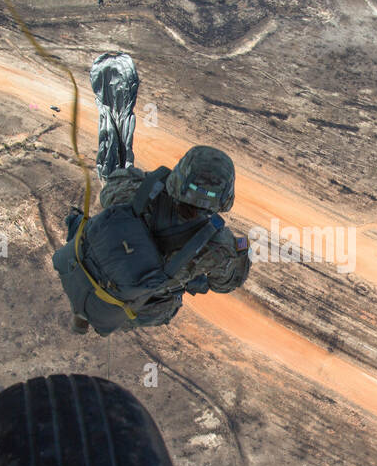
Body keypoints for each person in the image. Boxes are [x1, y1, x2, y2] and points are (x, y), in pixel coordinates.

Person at [52, 55, 250, 335]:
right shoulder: (217, 245)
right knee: (164, 297)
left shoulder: (137, 188)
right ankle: (100, 313)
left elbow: (110, 191)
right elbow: (225, 283)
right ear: (224, 197)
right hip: (138, 308)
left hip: (84, 265)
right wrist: (240, 253)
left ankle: (88, 309)